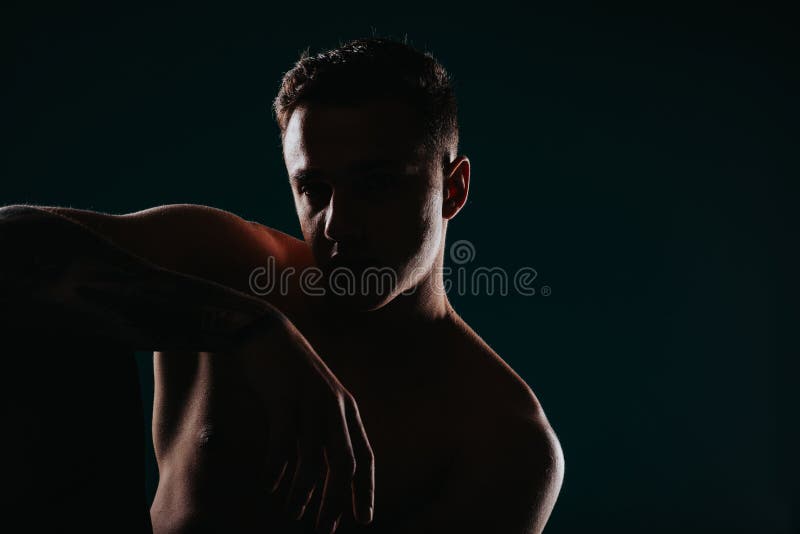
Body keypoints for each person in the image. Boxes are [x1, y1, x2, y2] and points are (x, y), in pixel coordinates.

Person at [0, 37, 563, 534]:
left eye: (377, 184)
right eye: (314, 188)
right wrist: (248, 329)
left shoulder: (502, 439)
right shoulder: (228, 268)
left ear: (453, 189)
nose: (338, 225)